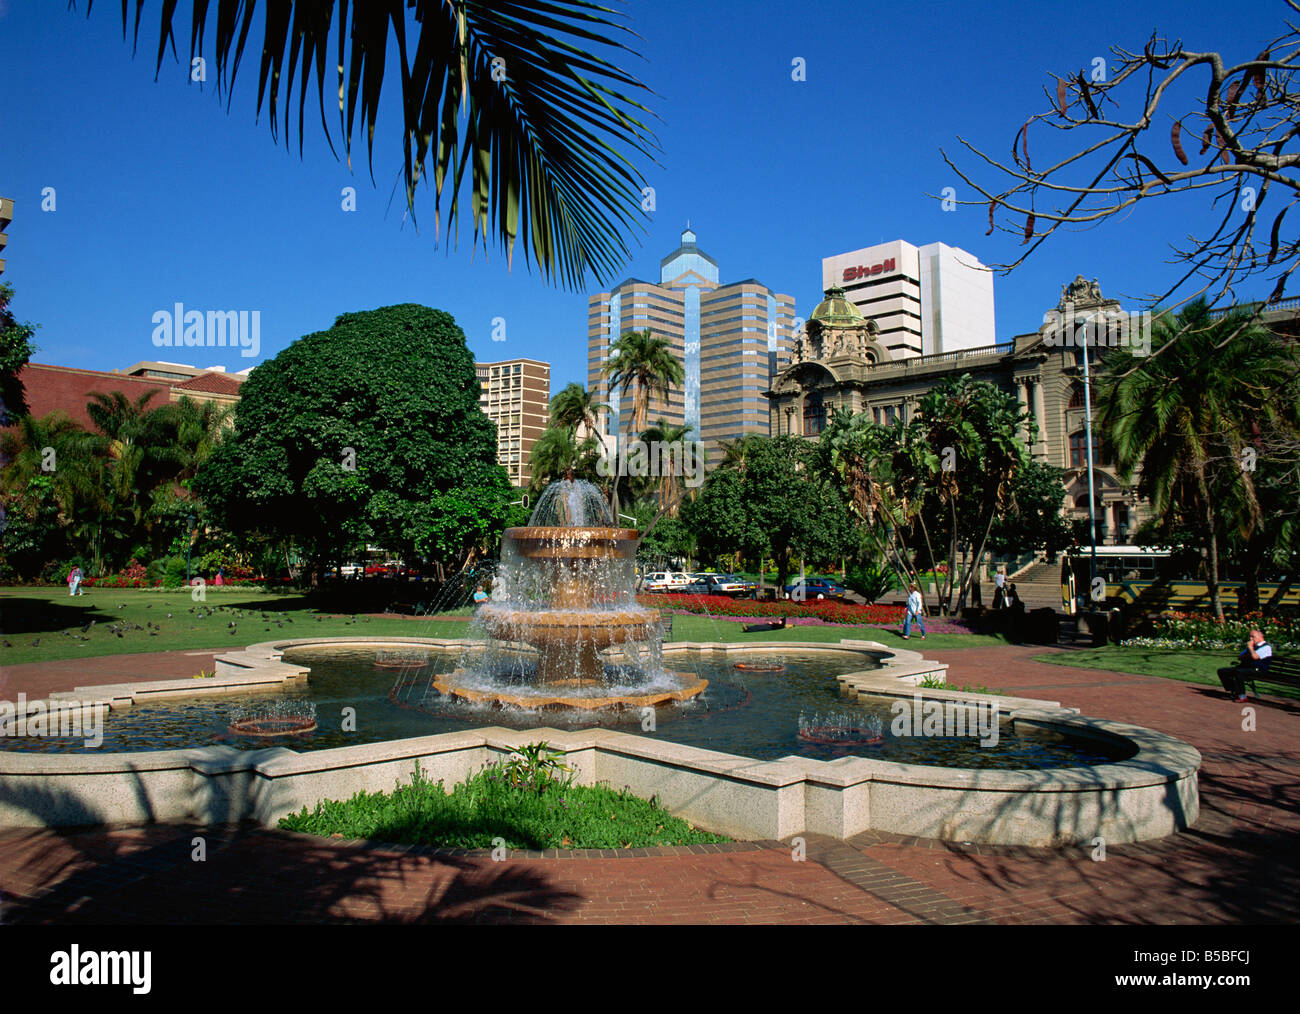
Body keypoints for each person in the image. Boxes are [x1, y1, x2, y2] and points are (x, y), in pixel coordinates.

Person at [1217, 629, 1273, 703]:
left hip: (1259, 670)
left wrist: (1250, 648)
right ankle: (1234, 690)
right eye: (1250, 637)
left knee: (1239, 672)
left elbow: (1255, 657)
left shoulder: (1266, 647)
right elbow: (1240, 657)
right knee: (1222, 671)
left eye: (1253, 637)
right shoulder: (1252, 647)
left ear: (1260, 636)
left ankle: (1242, 696)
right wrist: (1249, 652)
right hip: (1246, 668)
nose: (1251, 639)